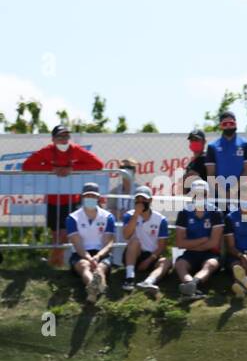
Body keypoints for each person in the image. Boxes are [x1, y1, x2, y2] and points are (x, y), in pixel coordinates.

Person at [21, 125, 103, 267]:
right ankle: (55, 266)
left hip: (71, 200)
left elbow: (98, 164)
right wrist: (52, 169)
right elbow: (27, 165)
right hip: (53, 199)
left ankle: (51, 264)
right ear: (53, 139)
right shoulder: (47, 150)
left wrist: (72, 169)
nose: (64, 139)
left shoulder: (75, 149)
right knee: (56, 236)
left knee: (65, 235)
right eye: (60, 136)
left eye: (66, 136)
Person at [173, 180, 224, 300]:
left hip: (211, 254)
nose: (200, 197)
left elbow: (214, 243)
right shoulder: (184, 213)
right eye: (196, 193)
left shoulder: (216, 213)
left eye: (203, 194)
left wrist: (191, 244)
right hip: (191, 253)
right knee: (179, 264)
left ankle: (192, 285)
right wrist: (202, 240)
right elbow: (179, 243)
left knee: (210, 264)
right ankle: (191, 286)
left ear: (208, 195)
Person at [65, 183, 116, 303]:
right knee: (84, 266)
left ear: (98, 198)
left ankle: (93, 293)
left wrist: (98, 256)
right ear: (82, 197)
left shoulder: (108, 217)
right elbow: (77, 244)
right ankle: (98, 289)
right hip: (81, 254)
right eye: (87, 196)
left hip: (101, 253)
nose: (90, 198)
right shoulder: (72, 218)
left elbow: (109, 243)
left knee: (99, 269)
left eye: (93, 196)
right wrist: (89, 258)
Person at [121, 186, 171, 296]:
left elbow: (161, 246)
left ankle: (148, 282)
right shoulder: (129, 215)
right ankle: (129, 278)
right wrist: (135, 215)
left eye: (144, 199)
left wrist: (149, 260)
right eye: (137, 199)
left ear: (150, 200)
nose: (140, 202)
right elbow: (126, 235)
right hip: (134, 253)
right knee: (134, 241)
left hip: (151, 256)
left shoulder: (160, 220)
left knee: (167, 261)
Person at [205, 110, 247, 216]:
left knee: (240, 227)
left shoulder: (245, 144)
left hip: (240, 193)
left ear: (236, 124)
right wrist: (223, 193)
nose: (228, 126)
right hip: (218, 195)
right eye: (225, 124)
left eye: (231, 123)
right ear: (220, 126)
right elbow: (210, 174)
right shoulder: (212, 146)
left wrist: (232, 191)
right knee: (219, 227)